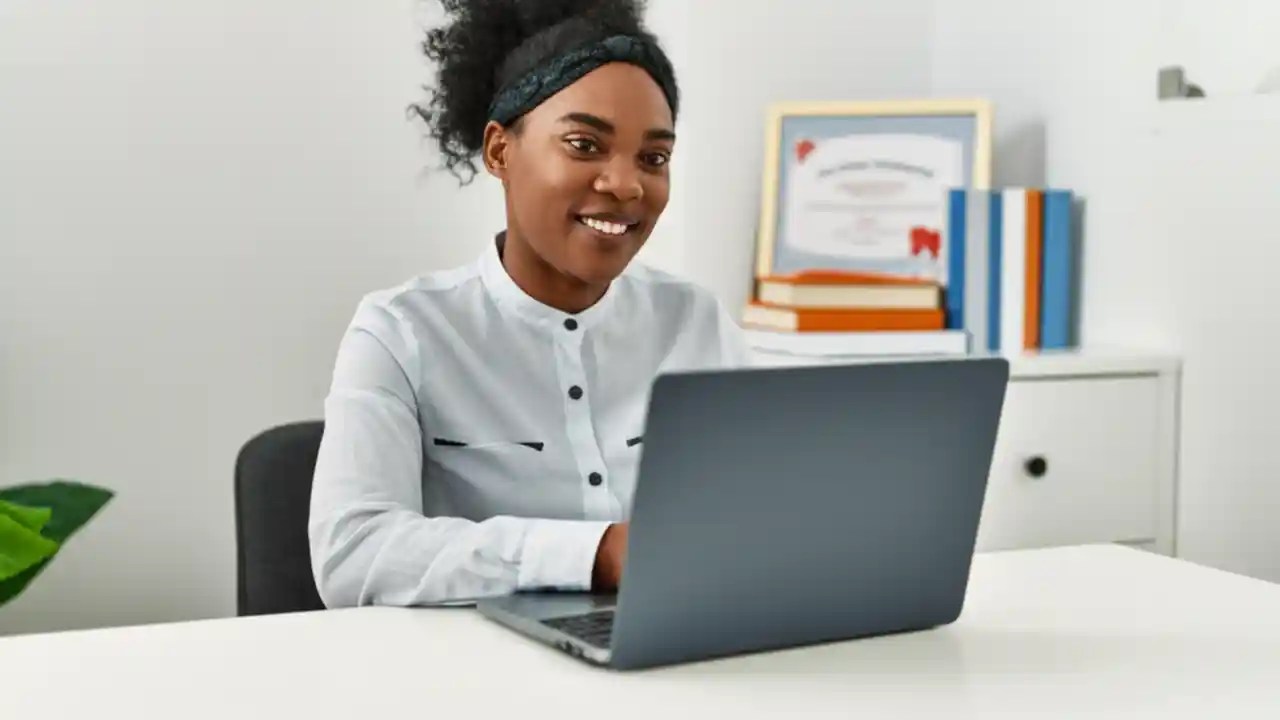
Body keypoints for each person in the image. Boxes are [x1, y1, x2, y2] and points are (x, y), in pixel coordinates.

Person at [308, 0, 749, 608]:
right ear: (499, 151)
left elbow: (762, 511)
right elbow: (352, 554)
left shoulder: (694, 322)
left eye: (654, 158)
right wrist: (596, 554)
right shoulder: (400, 332)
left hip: (676, 656)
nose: (625, 184)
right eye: (583, 144)